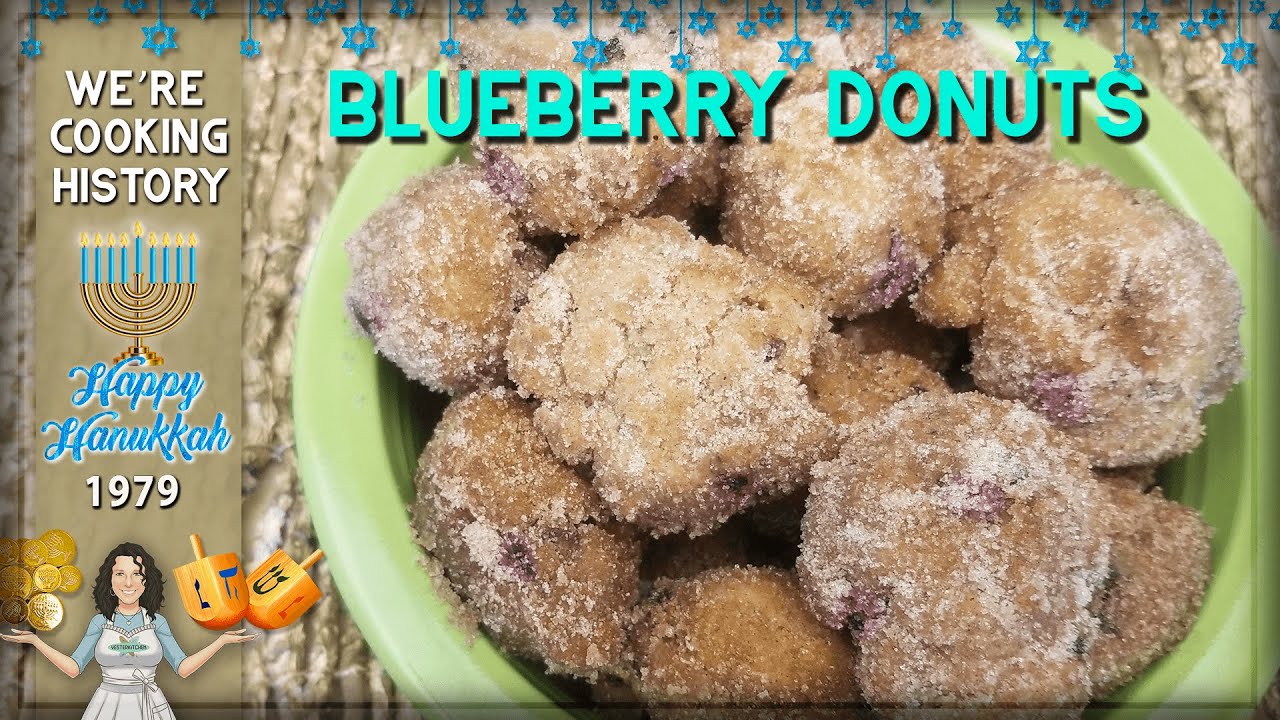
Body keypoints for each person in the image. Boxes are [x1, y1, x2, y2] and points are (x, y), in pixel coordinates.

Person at [2, 541, 255, 719]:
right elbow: (74, 668)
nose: (129, 582)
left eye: (137, 574)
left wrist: (220, 642)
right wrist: (36, 642)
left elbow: (183, 668)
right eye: (120, 574)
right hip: (106, 706)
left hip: (152, 707)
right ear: (110, 582)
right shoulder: (99, 623)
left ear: (147, 582)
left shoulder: (158, 623)